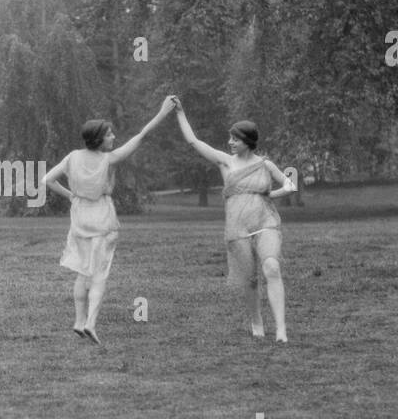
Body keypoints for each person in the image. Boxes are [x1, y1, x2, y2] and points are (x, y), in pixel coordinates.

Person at [41, 96, 177, 343]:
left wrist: (71, 195)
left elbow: (47, 180)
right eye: (110, 135)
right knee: (100, 274)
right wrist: (162, 113)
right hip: (102, 217)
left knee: (83, 273)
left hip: (80, 218)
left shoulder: (72, 157)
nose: (114, 137)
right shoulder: (109, 159)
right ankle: (91, 323)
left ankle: (79, 320)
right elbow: (141, 136)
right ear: (99, 139)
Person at [172, 98, 296, 342]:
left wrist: (271, 194)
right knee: (250, 280)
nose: (230, 143)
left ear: (247, 141)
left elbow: (290, 186)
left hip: (266, 222)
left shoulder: (265, 164)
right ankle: (256, 321)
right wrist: (180, 112)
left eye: (235, 139)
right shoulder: (225, 162)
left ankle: (281, 329)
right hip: (237, 229)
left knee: (272, 267)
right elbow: (193, 141)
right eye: (229, 139)